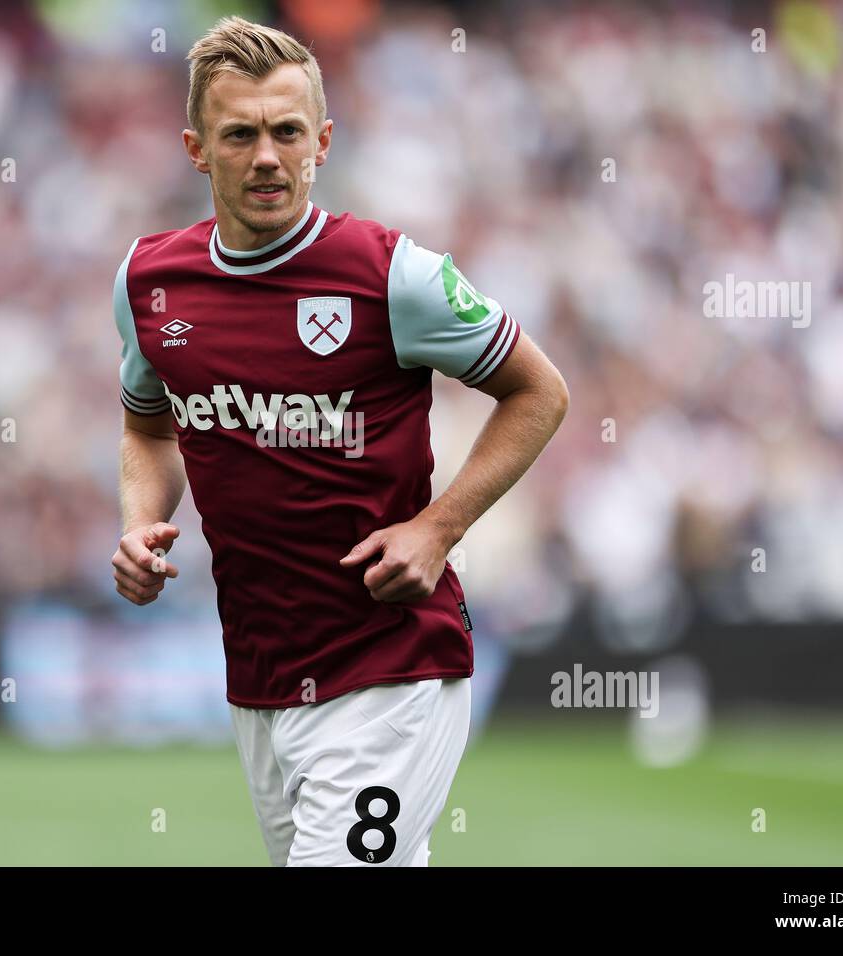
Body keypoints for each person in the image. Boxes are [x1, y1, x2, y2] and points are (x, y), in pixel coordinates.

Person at [111, 16, 568, 866]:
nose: (267, 157)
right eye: (239, 135)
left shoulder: (395, 275)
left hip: (391, 661)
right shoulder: (149, 283)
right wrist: (140, 519)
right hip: (259, 677)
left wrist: (439, 527)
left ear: (322, 140)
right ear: (196, 149)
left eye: (287, 132)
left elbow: (539, 391)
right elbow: (149, 429)